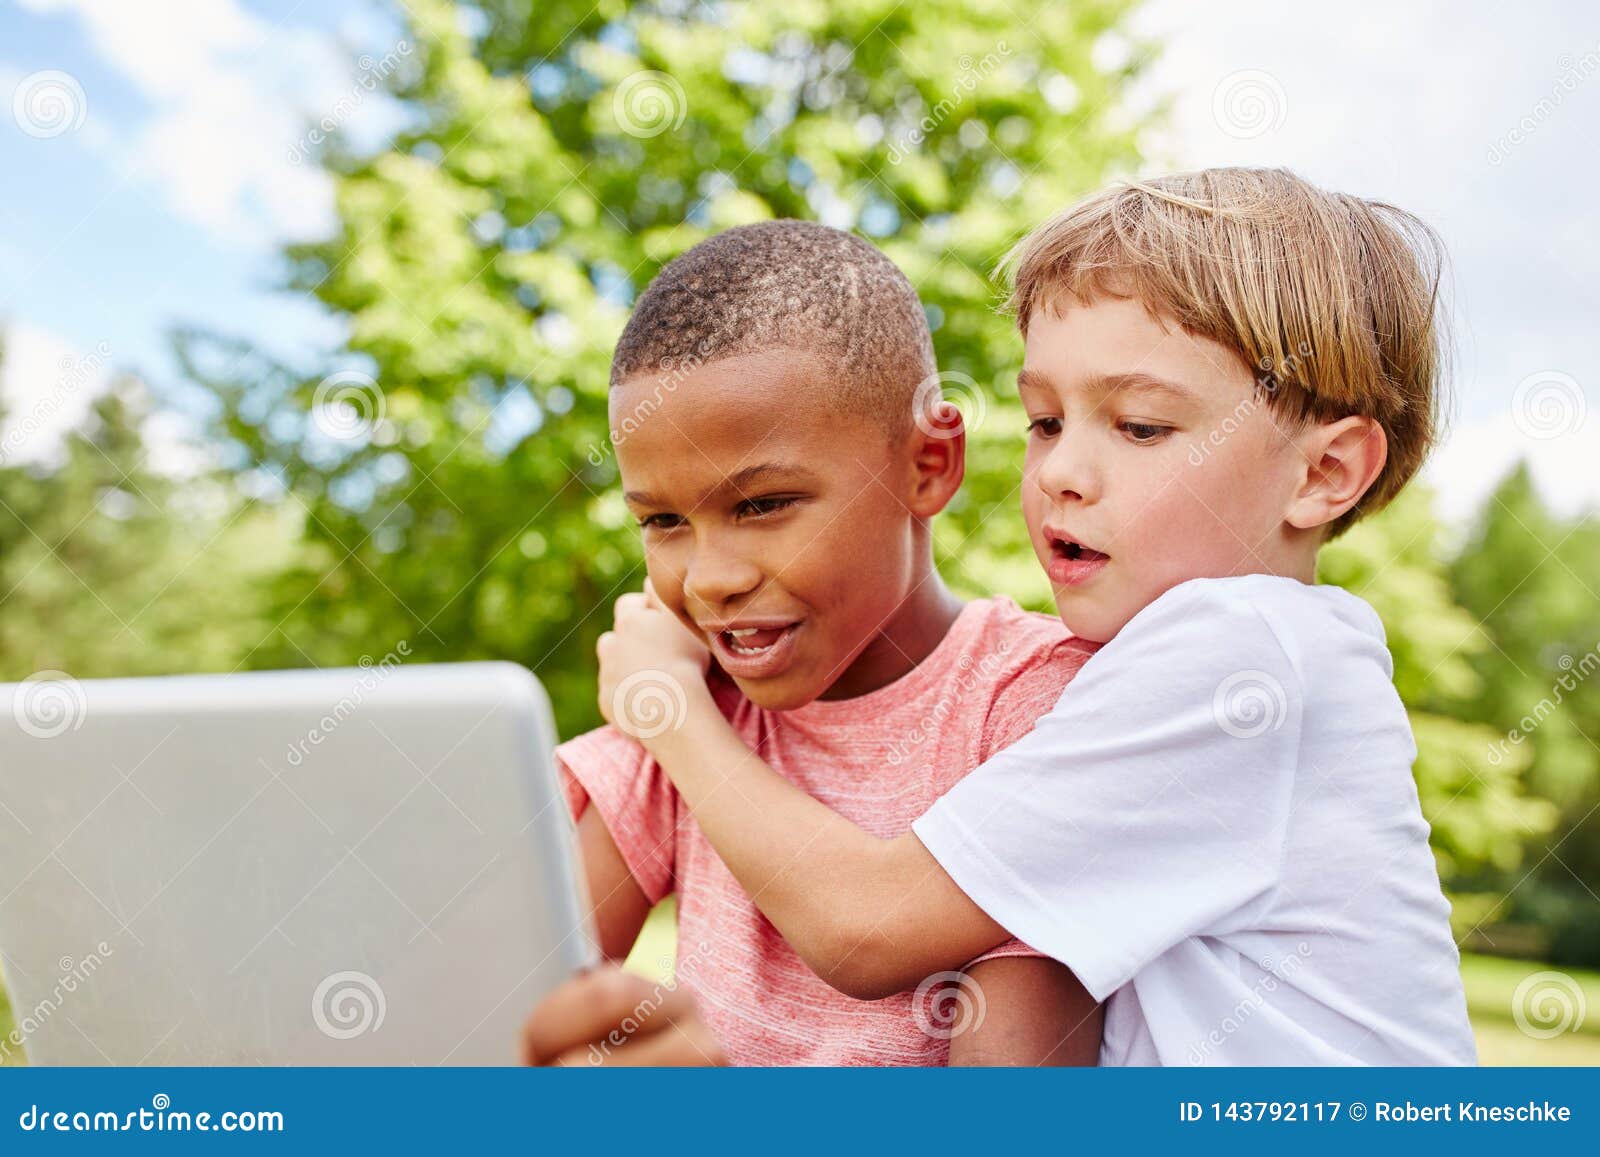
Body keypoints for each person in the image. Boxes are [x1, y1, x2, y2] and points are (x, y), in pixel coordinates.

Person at [580, 168, 1480, 1065]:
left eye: (1139, 426)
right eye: (1045, 421)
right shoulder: (1194, 661)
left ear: (1324, 473)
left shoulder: (1240, 654)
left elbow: (867, 929)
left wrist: (671, 710)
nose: (1058, 472)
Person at [525, 219, 1102, 1066]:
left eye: (761, 505)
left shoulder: (1034, 704)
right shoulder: (682, 714)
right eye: (663, 521)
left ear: (928, 464)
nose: (711, 577)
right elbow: (492, 1023)